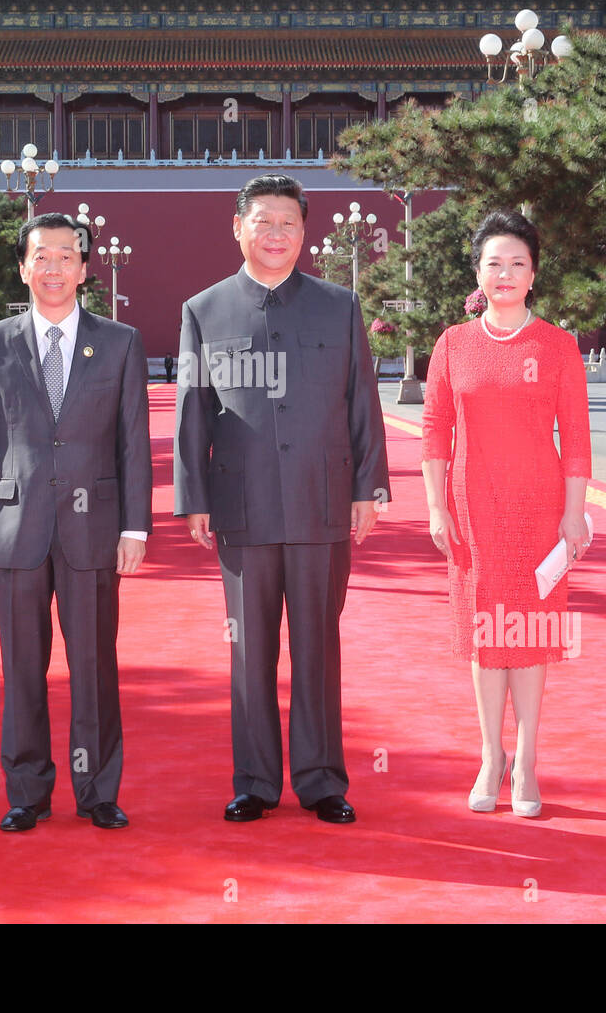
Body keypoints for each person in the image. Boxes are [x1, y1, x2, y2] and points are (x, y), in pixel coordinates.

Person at [174, 173, 390, 824]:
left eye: (289, 223)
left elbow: (362, 404)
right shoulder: (203, 311)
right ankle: (255, 780)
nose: (276, 234)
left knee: (318, 645)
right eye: (263, 222)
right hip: (243, 506)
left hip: (322, 501)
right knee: (250, 648)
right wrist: (193, 497)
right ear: (237, 227)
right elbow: (192, 412)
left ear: (305, 232)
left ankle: (322, 778)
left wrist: (368, 487)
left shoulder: (338, 306)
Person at [0, 212, 152, 832]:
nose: (53, 267)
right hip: (15, 528)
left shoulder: (119, 342)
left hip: (93, 528)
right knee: (22, 666)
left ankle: (98, 791)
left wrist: (135, 527)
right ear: (22, 268)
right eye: (41, 256)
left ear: (84, 268)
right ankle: (27, 793)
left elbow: (132, 442)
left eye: (66, 256)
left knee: (94, 664)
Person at [421, 208, 590, 819]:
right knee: (484, 632)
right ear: (478, 272)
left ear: (534, 273)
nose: (506, 273)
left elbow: (575, 437)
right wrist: (437, 507)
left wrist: (575, 515)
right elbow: (435, 432)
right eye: (494, 263)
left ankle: (527, 760)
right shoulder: (452, 345)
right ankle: (490, 755)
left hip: (540, 508)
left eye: (518, 263)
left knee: (532, 632)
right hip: (472, 508)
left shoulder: (558, 346)